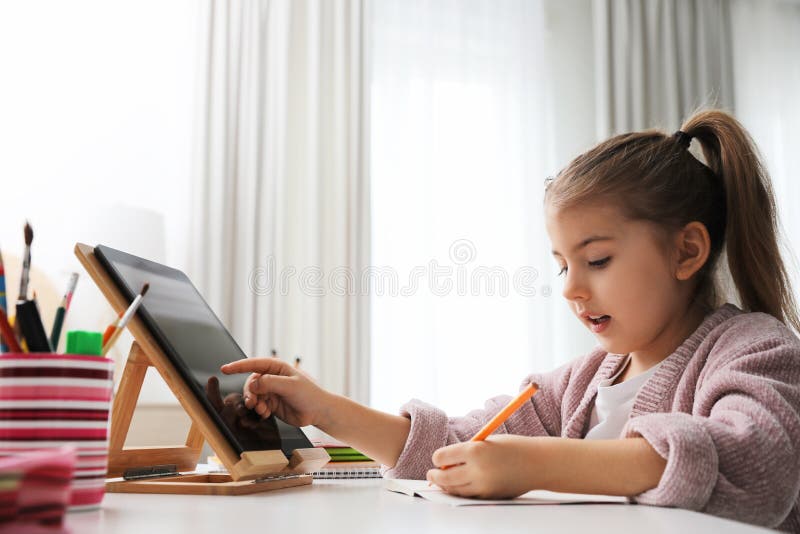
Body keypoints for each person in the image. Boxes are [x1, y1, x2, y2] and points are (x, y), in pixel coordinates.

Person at [221, 109, 800, 531]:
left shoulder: (755, 351)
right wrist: (324, 408)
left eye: (597, 260)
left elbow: (757, 466)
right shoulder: (581, 384)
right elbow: (458, 446)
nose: (572, 287)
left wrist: (532, 462)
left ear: (687, 252)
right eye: (562, 266)